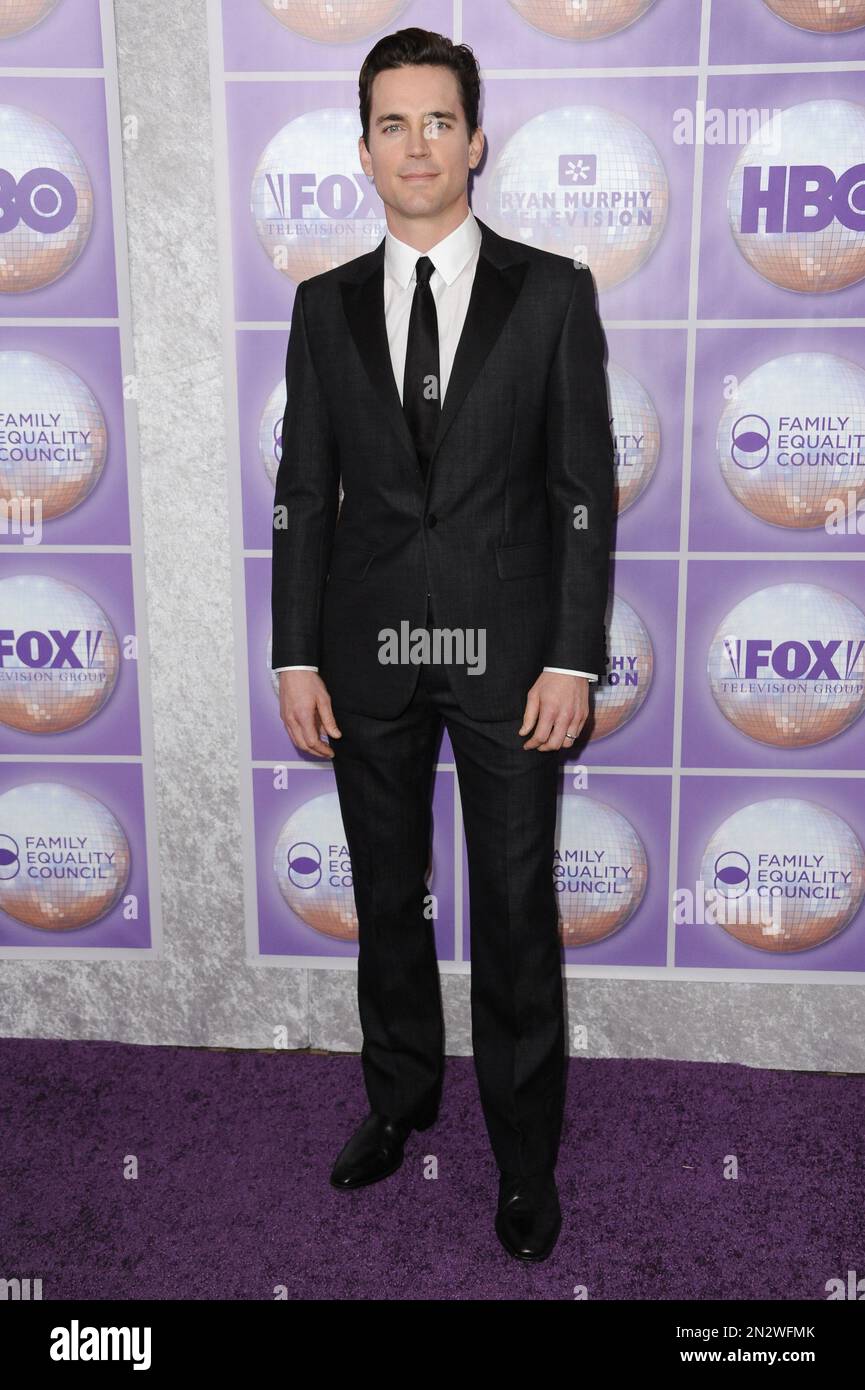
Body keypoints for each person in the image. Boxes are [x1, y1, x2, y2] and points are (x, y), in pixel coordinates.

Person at [271, 27, 615, 1262]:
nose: (416, 145)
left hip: (513, 658)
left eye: (437, 122)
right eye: (391, 124)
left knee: (516, 909)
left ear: (476, 140)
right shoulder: (319, 308)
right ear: (362, 149)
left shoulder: (554, 291)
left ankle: (524, 1161)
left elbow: (584, 488)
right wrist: (294, 656)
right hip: (364, 654)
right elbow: (308, 494)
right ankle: (401, 1094)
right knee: (386, 894)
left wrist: (574, 658)